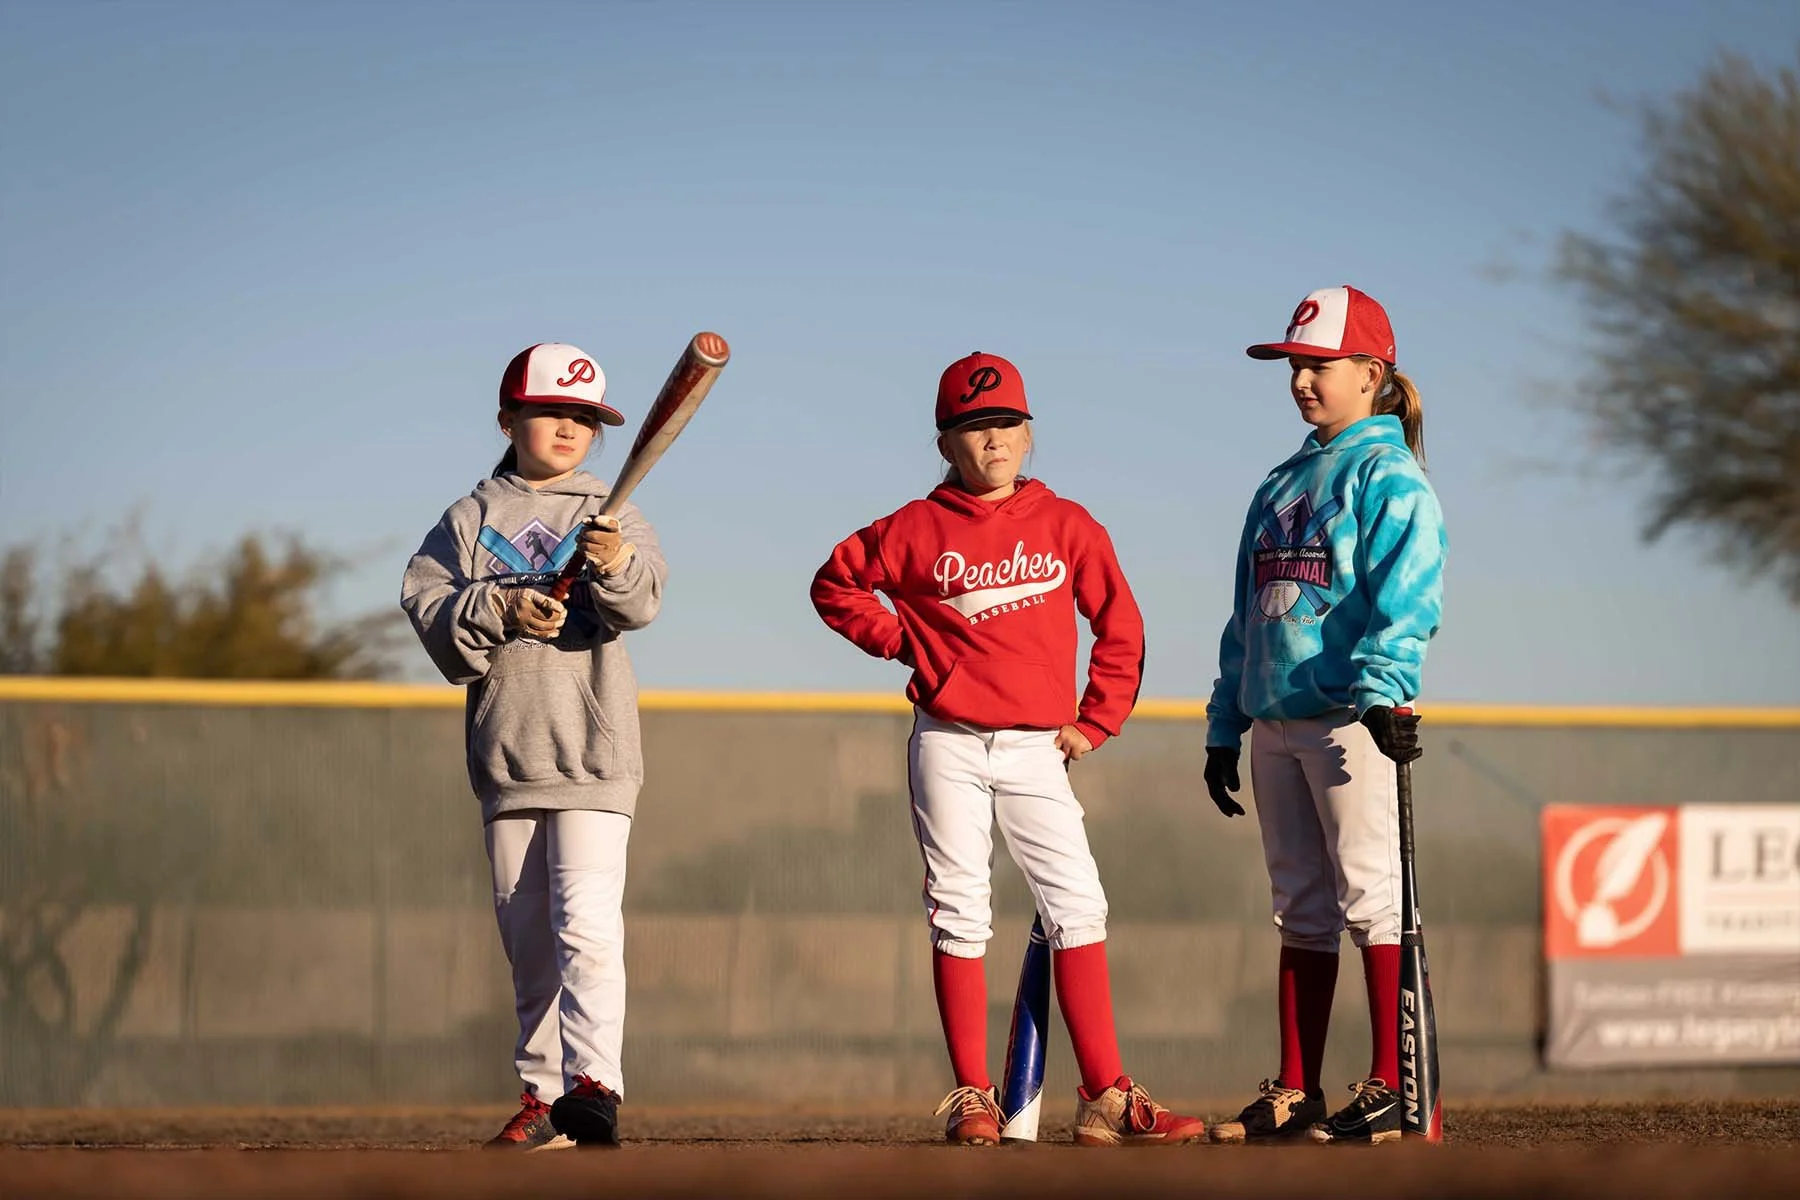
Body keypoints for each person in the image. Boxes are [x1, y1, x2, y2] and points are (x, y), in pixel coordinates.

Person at [811, 351, 1206, 1147]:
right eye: (971, 426)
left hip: (1036, 747)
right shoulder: (913, 528)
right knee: (958, 908)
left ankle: (1105, 1094)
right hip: (948, 741)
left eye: (1004, 425)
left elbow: (1120, 624)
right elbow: (834, 584)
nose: (991, 439)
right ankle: (971, 1097)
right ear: (944, 443)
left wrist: (1097, 719)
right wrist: (901, 643)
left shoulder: (1068, 524)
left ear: (1029, 437)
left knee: (1078, 903)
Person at [400, 342, 666, 1150]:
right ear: (509, 418)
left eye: (585, 418)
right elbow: (429, 609)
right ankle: (543, 1096)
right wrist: (505, 609)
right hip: (508, 755)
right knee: (525, 936)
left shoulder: (612, 512)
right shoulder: (469, 517)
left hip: (592, 750)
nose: (568, 427)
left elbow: (644, 599)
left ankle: (595, 1086)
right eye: (552, 410)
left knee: (585, 923)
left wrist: (613, 563)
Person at [1201, 287, 1446, 1146]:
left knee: (1373, 898)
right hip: (1274, 715)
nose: (1302, 379)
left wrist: (1385, 689)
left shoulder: (1389, 474)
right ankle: (1295, 1090)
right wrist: (1225, 724)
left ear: (1372, 372)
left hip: (1351, 715)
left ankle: (1389, 1082)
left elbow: (1406, 598)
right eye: (1295, 366)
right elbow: (1245, 613)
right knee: (1300, 904)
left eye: (1319, 364)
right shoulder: (1280, 481)